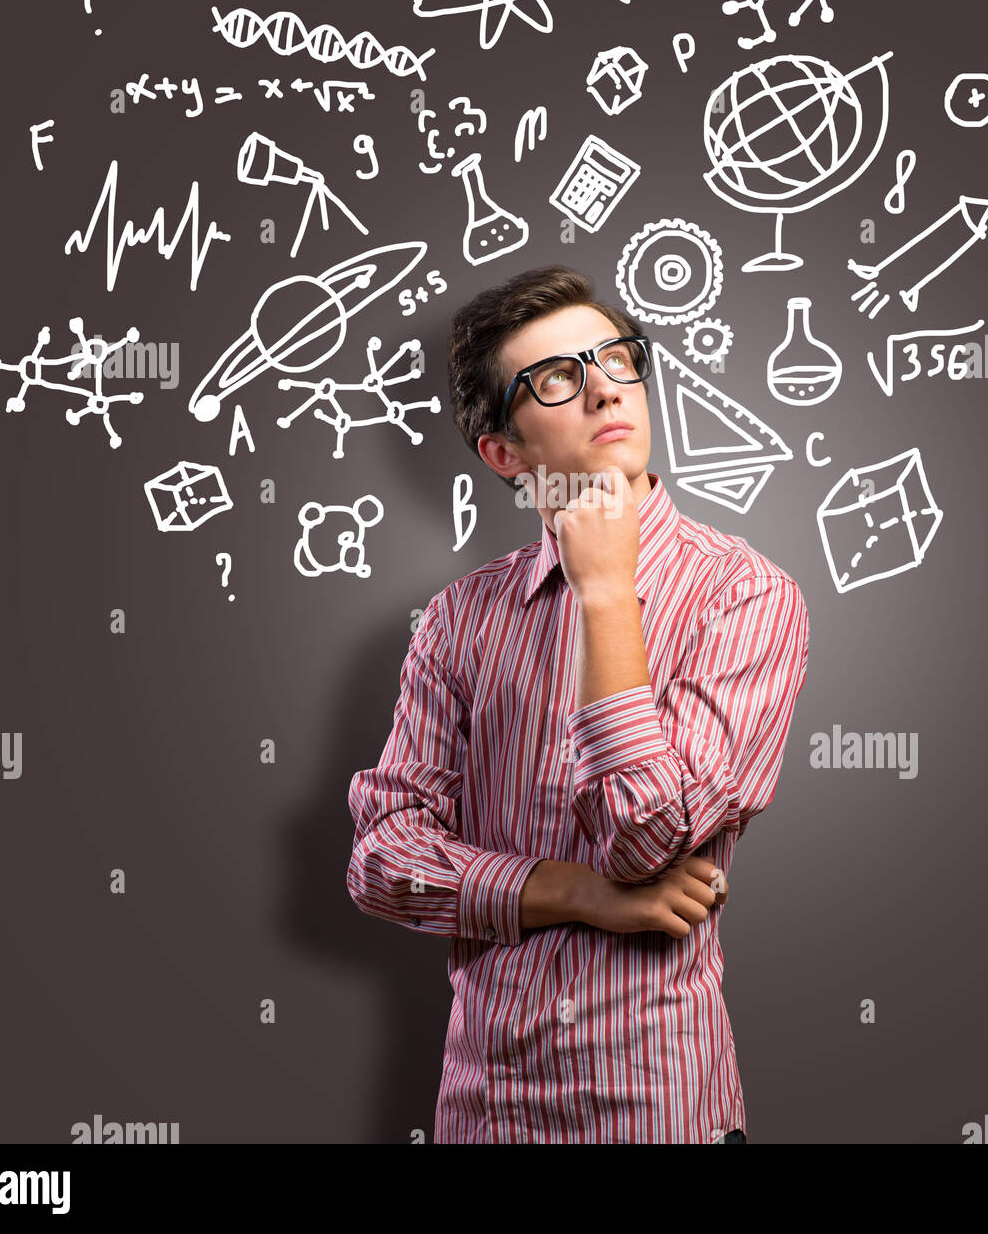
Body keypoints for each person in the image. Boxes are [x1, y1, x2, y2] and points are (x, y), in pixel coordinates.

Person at [346, 265, 809, 1143]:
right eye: (556, 377)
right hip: (481, 1112)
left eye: (616, 360)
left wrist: (605, 594)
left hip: (656, 1108)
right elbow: (381, 860)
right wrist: (571, 893)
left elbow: (644, 838)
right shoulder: (459, 619)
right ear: (505, 454)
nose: (603, 389)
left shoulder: (746, 597)